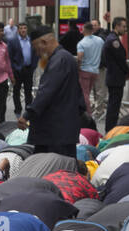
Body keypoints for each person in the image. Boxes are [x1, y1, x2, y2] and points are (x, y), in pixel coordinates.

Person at [17, 25, 81, 157]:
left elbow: (46, 92)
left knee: (53, 170)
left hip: (55, 132)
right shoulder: (64, 58)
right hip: (62, 130)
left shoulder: (59, 60)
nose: (37, 53)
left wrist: (27, 115)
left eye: (36, 48)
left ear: (44, 43)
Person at [102, 16, 129, 131]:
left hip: (113, 76)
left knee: (113, 105)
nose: (125, 29)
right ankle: (110, 129)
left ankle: (111, 128)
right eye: (123, 26)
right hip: (116, 78)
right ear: (117, 26)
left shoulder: (111, 39)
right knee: (114, 106)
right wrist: (127, 71)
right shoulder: (114, 41)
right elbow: (120, 60)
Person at [76, 20, 106, 123]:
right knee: (98, 92)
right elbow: (103, 52)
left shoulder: (82, 43)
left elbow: (79, 57)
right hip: (96, 70)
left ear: (84, 30)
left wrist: (78, 67)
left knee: (85, 93)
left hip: (85, 70)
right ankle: (98, 111)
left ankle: (88, 114)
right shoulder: (99, 40)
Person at [7, 21, 36, 116]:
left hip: (28, 69)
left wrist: (33, 66)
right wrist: (14, 69)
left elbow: (36, 54)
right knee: (16, 91)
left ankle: (28, 110)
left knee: (28, 91)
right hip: (17, 70)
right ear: (18, 30)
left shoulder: (31, 41)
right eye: (21, 28)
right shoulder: (12, 41)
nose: (23, 30)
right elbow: (9, 57)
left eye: (25, 28)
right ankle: (18, 110)